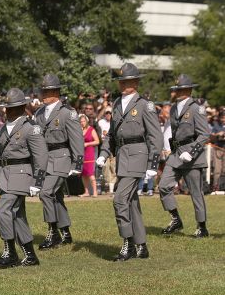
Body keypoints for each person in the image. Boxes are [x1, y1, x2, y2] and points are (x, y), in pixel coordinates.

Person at [96, 63, 163, 261]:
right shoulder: (117, 104)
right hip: (122, 157)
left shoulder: (144, 105)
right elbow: (112, 134)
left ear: (136, 81)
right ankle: (141, 246)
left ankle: (128, 243)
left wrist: (153, 164)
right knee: (131, 202)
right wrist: (104, 152)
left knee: (119, 199)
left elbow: (155, 137)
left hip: (138, 156)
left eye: (128, 80)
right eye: (121, 81)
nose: (125, 84)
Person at [0, 88, 48, 268]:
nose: (9, 111)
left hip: (21, 176)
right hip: (5, 175)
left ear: (22, 107)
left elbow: (41, 157)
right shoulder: (5, 129)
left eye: (13, 107)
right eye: (7, 107)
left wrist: (38, 182)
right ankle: (30, 255)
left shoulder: (31, 129)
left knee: (2, 210)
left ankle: (10, 252)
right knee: (18, 216)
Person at [34, 75, 84, 250]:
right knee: (56, 197)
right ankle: (66, 232)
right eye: (42, 91)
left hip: (62, 158)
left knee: (46, 193)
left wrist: (77, 165)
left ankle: (52, 232)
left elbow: (77, 140)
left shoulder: (67, 113)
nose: (43, 94)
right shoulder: (39, 113)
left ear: (56, 92)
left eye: (47, 91)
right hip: (45, 159)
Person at [158, 75, 211, 237]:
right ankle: (175, 219)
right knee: (163, 186)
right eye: (177, 89)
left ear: (189, 89)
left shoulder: (197, 108)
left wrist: (192, 151)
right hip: (176, 154)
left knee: (195, 192)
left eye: (181, 89)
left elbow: (204, 134)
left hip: (192, 155)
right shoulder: (174, 109)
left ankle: (201, 226)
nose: (178, 91)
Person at [79, 114, 100, 197]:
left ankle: (95, 191)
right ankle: (86, 191)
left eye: (83, 121)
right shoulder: (79, 130)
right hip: (81, 154)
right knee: (83, 174)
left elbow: (97, 141)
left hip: (89, 154)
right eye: (80, 122)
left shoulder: (91, 129)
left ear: (86, 121)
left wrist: (87, 144)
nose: (82, 123)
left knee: (91, 174)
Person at [210, 111, 225, 192]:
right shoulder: (216, 125)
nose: (223, 119)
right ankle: (216, 187)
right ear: (219, 118)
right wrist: (218, 134)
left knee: (224, 170)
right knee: (217, 170)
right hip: (218, 149)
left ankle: (223, 186)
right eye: (222, 117)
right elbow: (211, 137)